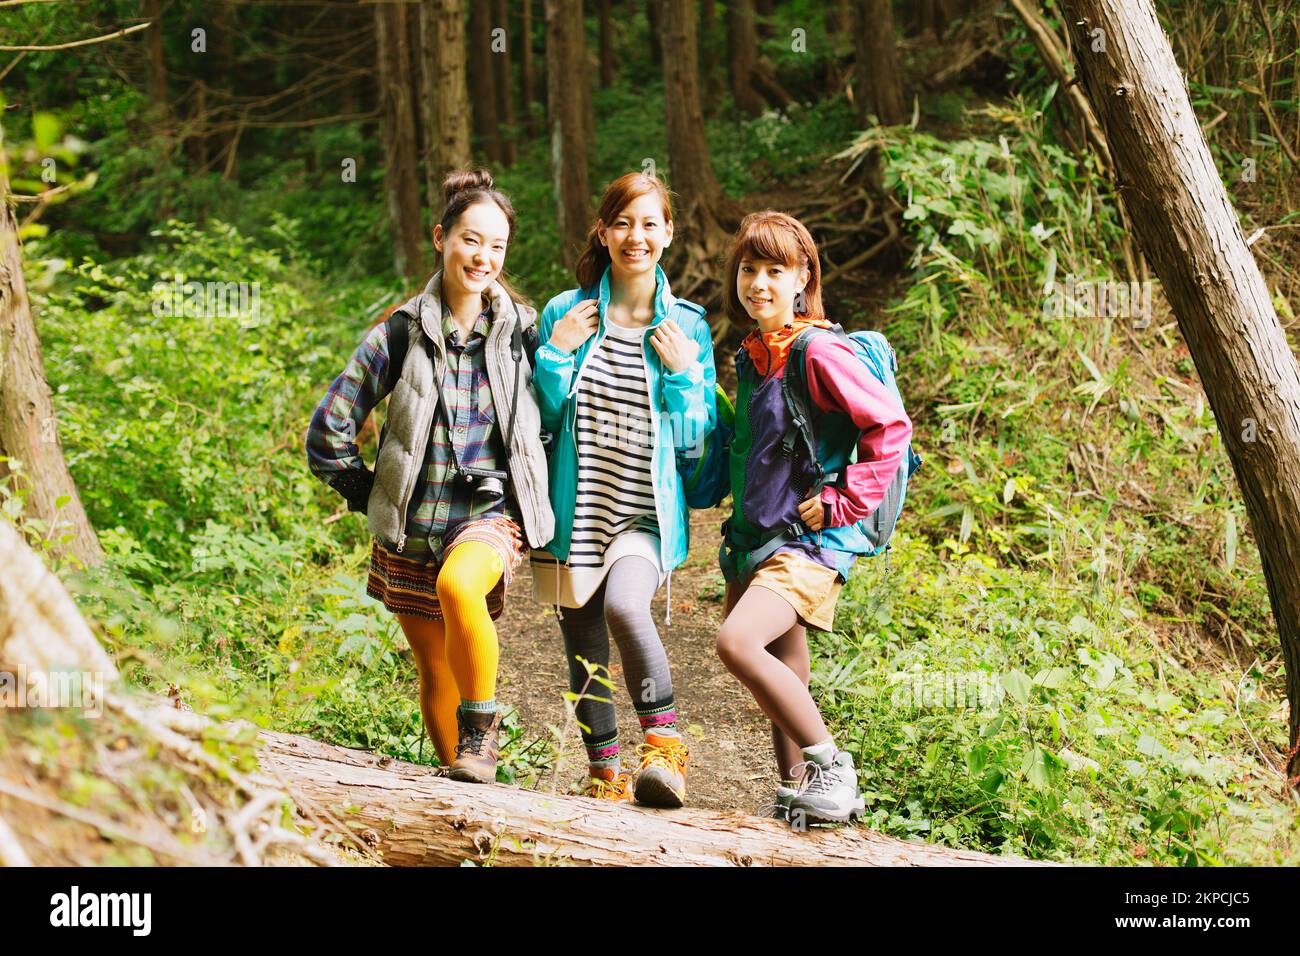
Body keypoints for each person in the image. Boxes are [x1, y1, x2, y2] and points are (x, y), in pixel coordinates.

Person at [306, 169, 554, 785]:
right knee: (435, 668)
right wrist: (373, 497)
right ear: (442, 237)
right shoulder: (398, 332)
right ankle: (462, 800)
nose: (483, 256)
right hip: (411, 527)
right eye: (471, 240)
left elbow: (563, 408)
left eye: (497, 245)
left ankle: (483, 731)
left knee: (459, 588)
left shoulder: (524, 331)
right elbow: (329, 432)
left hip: (489, 516)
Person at [714, 210, 913, 825]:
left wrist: (843, 500)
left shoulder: (817, 351)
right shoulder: (755, 354)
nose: (759, 284)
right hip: (758, 539)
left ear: (803, 278)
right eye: (749, 269)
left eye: (777, 271)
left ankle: (832, 767)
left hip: (807, 540)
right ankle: (796, 789)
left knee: (738, 643)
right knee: (784, 661)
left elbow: (890, 428)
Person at [531, 172, 717, 807]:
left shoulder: (688, 326)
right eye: (622, 223)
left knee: (625, 608)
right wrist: (555, 356)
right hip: (575, 509)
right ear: (604, 232)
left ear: (668, 233)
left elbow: (696, 437)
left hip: (644, 511)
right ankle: (603, 773)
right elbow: (542, 421)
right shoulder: (567, 312)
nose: (635, 236)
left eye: (649, 224)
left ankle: (664, 750)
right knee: (580, 639)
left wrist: (687, 374)